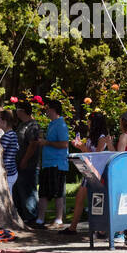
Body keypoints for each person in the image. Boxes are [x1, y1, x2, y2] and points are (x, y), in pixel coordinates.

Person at [65, 112, 115, 234]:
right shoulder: (92, 136)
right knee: (81, 198)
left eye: (89, 121)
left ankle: (97, 229)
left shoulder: (102, 137)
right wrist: (80, 146)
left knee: (93, 199)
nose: (88, 123)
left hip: (95, 171)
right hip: (88, 169)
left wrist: (82, 147)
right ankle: (74, 227)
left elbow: (96, 155)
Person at [34, 99, 70, 228]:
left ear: (53, 110)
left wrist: (47, 143)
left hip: (57, 164)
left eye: (47, 108)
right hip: (47, 164)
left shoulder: (60, 124)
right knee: (43, 192)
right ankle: (40, 219)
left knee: (57, 192)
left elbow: (64, 144)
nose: (46, 111)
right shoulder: (52, 124)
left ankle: (59, 219)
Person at [11, 102, 42, 223]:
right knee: (19, 190)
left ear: (22, 111)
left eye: (17, 109)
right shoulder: (21, 125)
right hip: (19, 165)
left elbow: (33, 144)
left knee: (28, 191)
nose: (16, 112)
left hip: (29, 165)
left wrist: (25, 160)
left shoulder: (32, 125)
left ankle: (32, 216)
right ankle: (23, 216)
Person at [0, 110, 20, 193]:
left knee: (7, 196)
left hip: (9, 173)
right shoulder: (13, 134)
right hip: (12, 171)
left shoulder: (7, 136)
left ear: (4, 121)